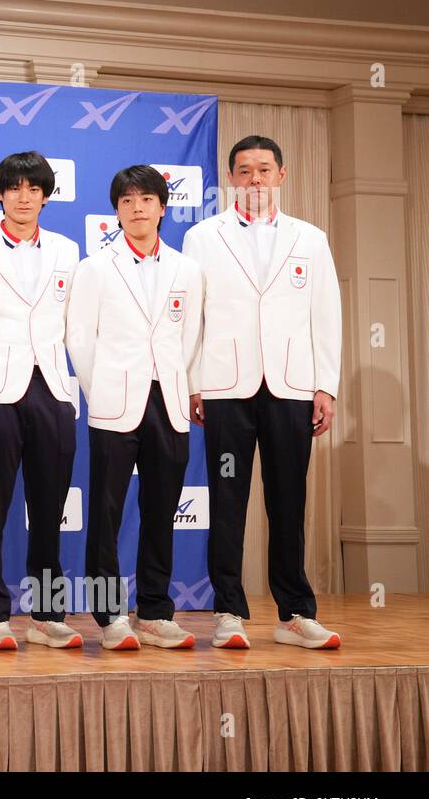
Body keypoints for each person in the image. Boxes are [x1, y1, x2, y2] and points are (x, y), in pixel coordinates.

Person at [183, 136, 342, 650]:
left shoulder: (310, 238)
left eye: (264, 169)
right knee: (227, 500)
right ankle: (228, 611)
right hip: (226, 389)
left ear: (281, 175)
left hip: (291, 389)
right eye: (245, 170)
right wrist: (193, 382)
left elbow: (326, 315)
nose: (255, 179)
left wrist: (325, 385)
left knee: (288, 502)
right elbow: (192, 318)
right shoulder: (203, 237)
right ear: (231, 178)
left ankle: (295, 613)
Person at [66, 165, 202, 650]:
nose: (137, 208)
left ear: (162, 207)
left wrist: (176, 382)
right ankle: (109, 617)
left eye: (146, 199)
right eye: (127, 201)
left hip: (169, 401)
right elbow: (80, 339)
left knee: (162, 510)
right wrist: (100, 388)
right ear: (116, 211)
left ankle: (155, 610)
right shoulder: (95, 268)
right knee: (106, 514)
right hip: (113, 402)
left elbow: (190, 337)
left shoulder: (187, 269)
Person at [0, 151, 83, 650]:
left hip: (53, 390)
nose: (24, 197)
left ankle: (47, 614)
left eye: (34, 188)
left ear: (45, 196)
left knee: (49, 511)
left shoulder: (67, 250)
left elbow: (75, 324)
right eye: (14, 187)